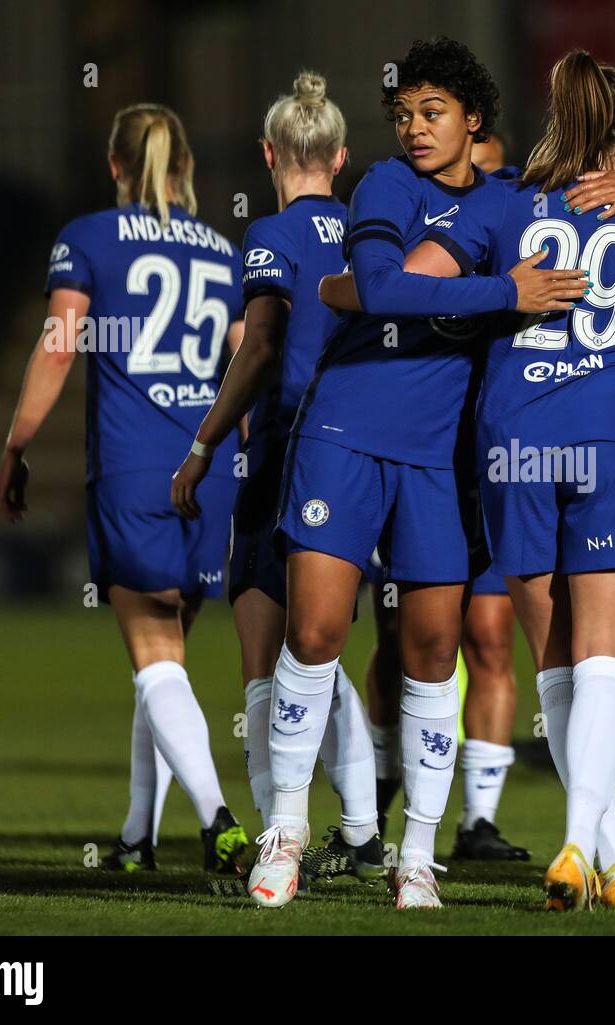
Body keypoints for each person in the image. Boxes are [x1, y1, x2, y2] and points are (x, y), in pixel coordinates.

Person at [376, 49, 615, 910]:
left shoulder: (502, 204)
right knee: (605, 663)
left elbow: (402, 283)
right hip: (609, 443)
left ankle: (612, 858)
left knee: (554, 662)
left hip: (513, 445)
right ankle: (580, 843)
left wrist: (491, 293)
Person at [243, 36, 588, 910]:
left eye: (433, 112)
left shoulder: (511, 203)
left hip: (441, 458)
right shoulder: (386, 187)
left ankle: (419, 854)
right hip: (343, 432)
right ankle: (283, 830)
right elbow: (383, 288)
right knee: (316, 631)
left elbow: (604, 214)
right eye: (403, 114)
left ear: (475, 120)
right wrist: (503, 291)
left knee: (435, 652)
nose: (415, 127)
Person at [0, 103, 249, 873]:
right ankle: (137, 838)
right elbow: (247, 360)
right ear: (185, 170)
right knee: (167, 660)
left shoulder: (87, 238)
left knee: (153, 658)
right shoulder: (220, 248)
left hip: (138, 465)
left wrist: (17, 441)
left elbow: (61, 341)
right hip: (212, 465)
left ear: (115, 166)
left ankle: (219, 823)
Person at [170, 72, 385, 885]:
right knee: (321, 649)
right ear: (340, 155)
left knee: (267, 657)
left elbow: (260, 347)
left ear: (269, 153)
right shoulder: (376, 229)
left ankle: (280, 834)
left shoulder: (272, 233)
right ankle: (363, 831)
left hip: (288, 454)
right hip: (362, 458)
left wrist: (203, 443)